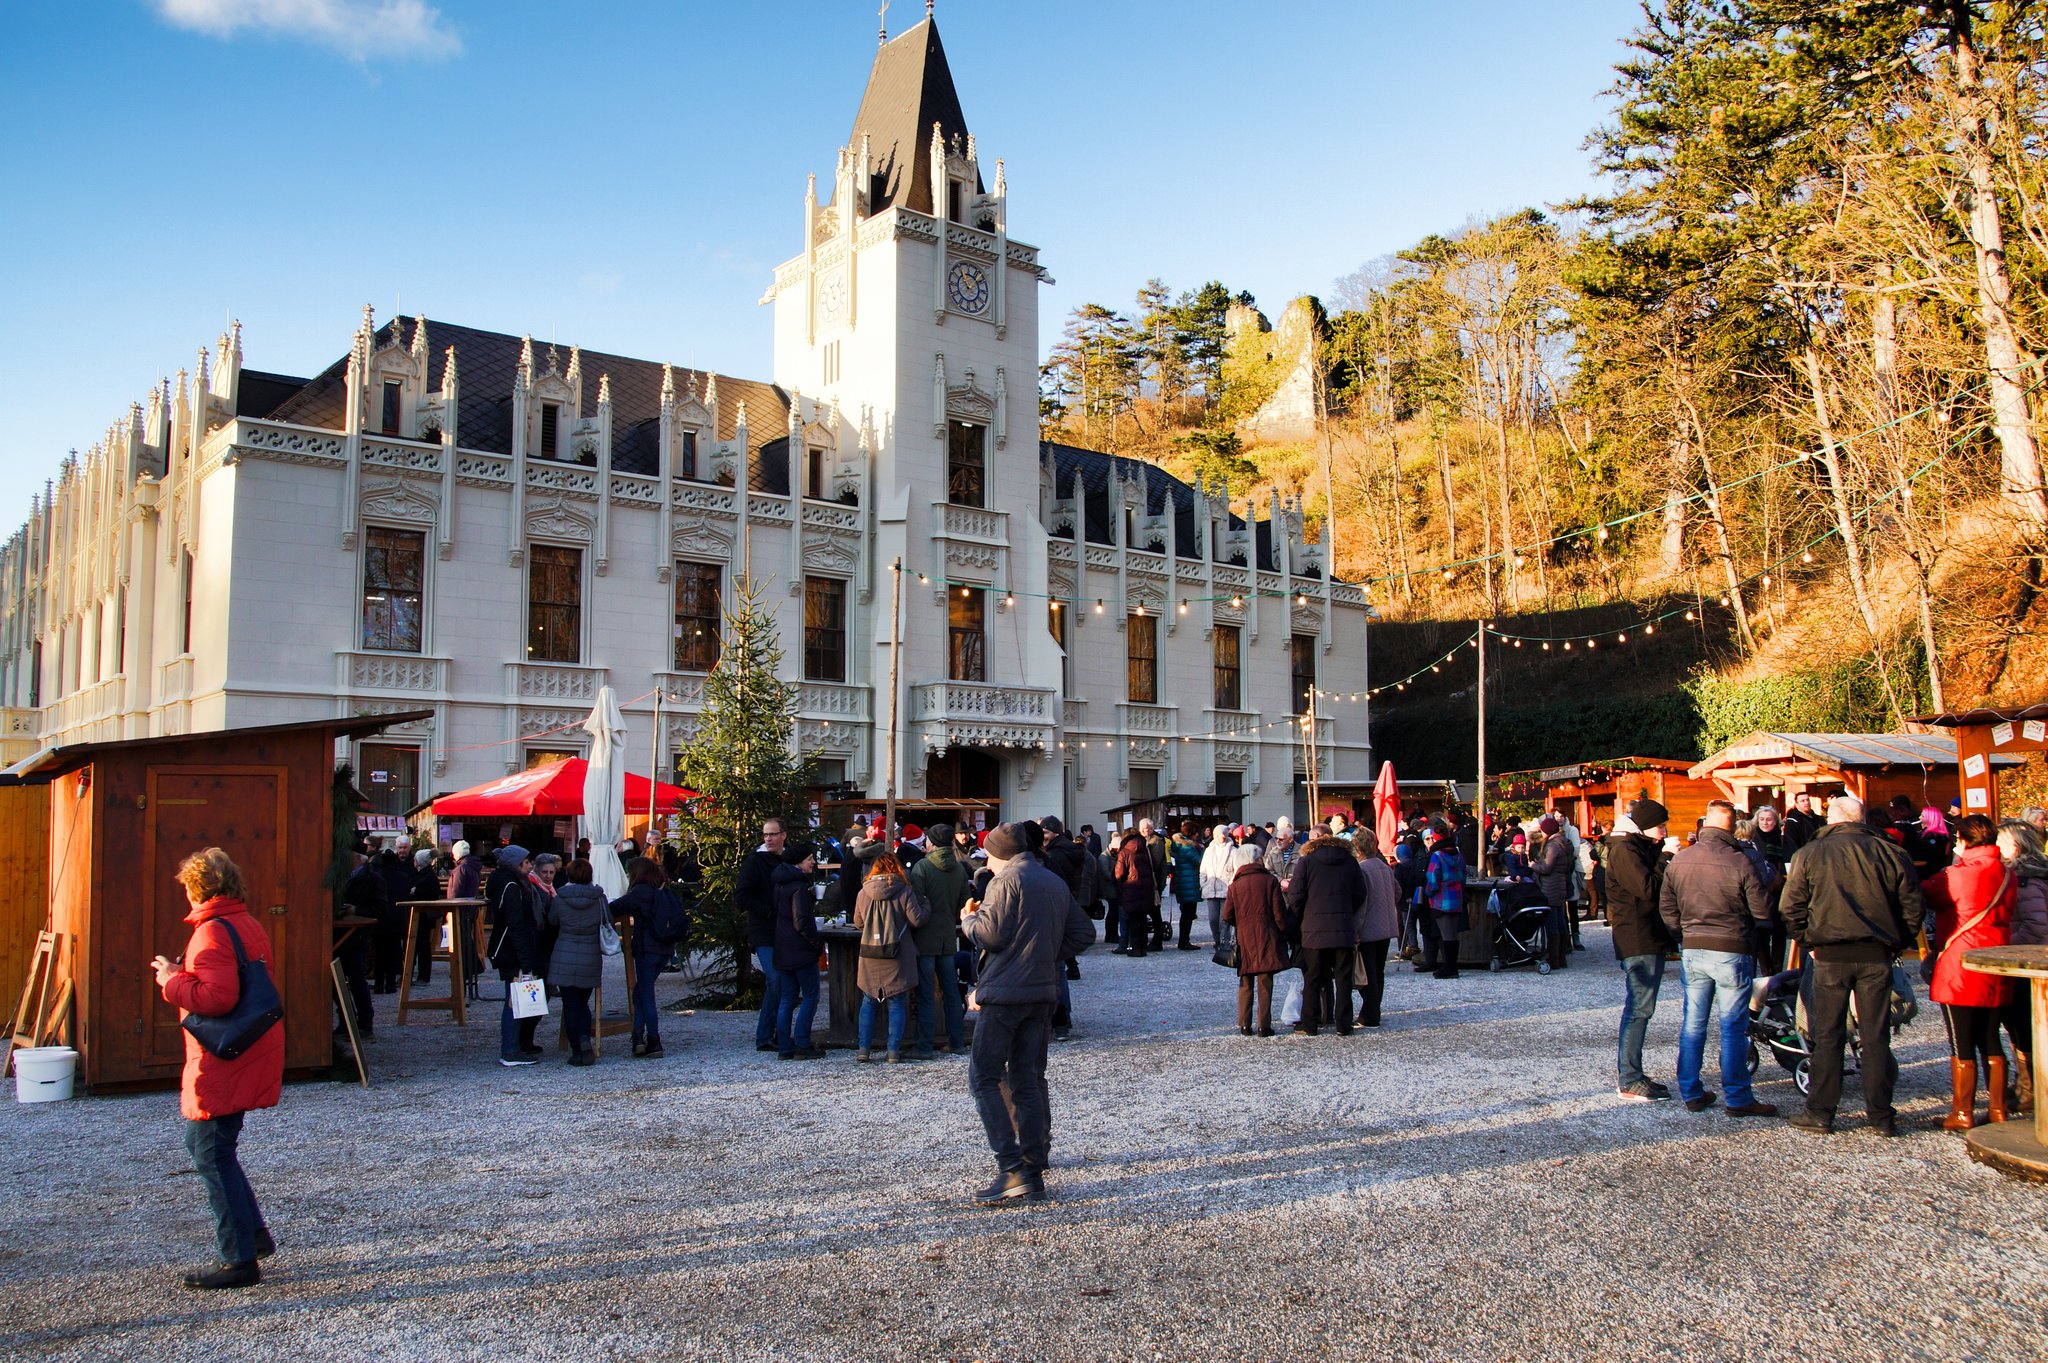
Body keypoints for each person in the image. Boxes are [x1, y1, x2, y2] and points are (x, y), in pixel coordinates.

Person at [153, 848, 283, 1290]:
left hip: (223, 1054)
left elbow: (217, 998)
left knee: (209, 1151)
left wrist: (172, 980)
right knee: (216, 1150)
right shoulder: (244, 923)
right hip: (247, 1049)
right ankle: (251, 1238)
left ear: (195, 888)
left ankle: (239, 1258)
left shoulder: (211, 933)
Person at [959, 822, 1096, 1205]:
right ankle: (1033, 1169)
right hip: (1041, 991)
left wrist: (969, 919)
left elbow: (992, 935)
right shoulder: (1050, 879)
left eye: (988, 851)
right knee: (1029, 1078)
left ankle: (1012, 1167)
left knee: (984, 1076)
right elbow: (1084, 933)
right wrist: (1044, 955)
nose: (985, 857)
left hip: (1005, 995)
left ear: (1000, 853)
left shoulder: (1005, 882)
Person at [1780, 794, 1926, 1136]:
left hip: (1829, 953)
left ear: (1831, 819)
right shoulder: (1891, 852)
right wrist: (1896, 943)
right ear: (1861, 819)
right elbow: (1913, 906)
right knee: (1875, 1035)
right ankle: (1880, 1116)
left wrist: (1808, 941)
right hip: (1876, 952)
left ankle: (1820, 1111)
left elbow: (1791, 906)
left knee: (1828, 1034)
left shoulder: (1810, 854)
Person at [1659, 800, 1776, 1118]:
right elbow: (1762, 910)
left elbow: (1667, 907)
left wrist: (1681, 935)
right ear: (1732, 825)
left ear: (1705, 824)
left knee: (1693, 1023)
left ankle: (1691, 1091)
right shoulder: (1740, 861)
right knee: (1733, 1027)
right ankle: (1737, 1097)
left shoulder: (1680, 859)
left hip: (1694, 947)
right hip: (1731, 946)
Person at [1923, 813, 2014, 1130]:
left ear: (1961, 840)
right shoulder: (2005, 873)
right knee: (1991, 1037)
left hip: (1961, 960)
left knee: (1961, 1040)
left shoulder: (1957, 874)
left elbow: (1929, 895)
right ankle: (1999, 1107)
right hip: (1997, 958)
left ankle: (1963, 1111)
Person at [1607, 799, 1674, 1101]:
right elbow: (1647, 888)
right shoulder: (1624, 850)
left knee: (1640, 1007)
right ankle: (1630, 1078)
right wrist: (1667, 857)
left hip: (1645, 935)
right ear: (1646, 825)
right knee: (1639, 1008)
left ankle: (1633, 1073)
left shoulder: (1633, 846)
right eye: (1661, 825)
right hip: (1637, 936)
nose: (1664, 831)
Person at [853, 851, 930, 1063]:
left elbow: (859, 923)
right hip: (898, 953)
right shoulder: (904, 890)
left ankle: (863, 1050)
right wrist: (926, 905)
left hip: (870, 953)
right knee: (896, 1001)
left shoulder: (863, 893)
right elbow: (917, 920)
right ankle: (893, 1052)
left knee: (868, 1001)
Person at [1286, 830, 1364, 1036]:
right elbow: (1360, 893)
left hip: (1313, 929)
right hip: (1343, 927)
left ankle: (1310, 1024)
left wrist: (1303, 915)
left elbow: (1295, 895)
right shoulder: (1349, 861)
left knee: (1312, 977)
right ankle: (1343, 1025)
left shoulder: (1306, 862)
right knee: (1343, 978)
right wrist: (1347, 909)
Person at [613, 857, 688, 1058]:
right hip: (665, 948)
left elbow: (615, 908)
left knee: (645, 995)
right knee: (640, 992)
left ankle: (653, 1040)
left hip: (647, 949)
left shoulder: (640, 892)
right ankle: (637, 1038)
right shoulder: (664, 890)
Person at [1997, 819, 2047, 1113]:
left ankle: (2030, 1090)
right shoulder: (2037, 873)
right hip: (2033, 963)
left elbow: (2036, 927)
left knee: (2022, 1027)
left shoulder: (2026, 879)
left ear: (2014, 846)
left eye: (2000, 842)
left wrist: (2001, 946)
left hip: (2028, 964)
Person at [908, 822, 971, 1058]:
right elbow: (965, 903)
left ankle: (924, 1045)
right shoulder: (959, 869)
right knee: (952, 992)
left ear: (931, 843)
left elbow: (915, 903)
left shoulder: (921, 868)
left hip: (924, 937)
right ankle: (956, 1042)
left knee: (926, 993)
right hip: (947, 937)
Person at [543, 860, 609, 1067]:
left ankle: (577, 1049)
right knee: (583, 1002)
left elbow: (553, 921)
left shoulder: (560, 897)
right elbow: (608, 919)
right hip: (590, 955)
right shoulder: (599, 898)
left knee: (570, 1005)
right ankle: (584, 1038)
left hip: (565, 953)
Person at [485, 846, 546, 1066]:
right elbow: (516, 924)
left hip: (510, 947)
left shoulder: (508, 882)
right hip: (512, 949)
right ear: (516, 864)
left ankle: (515, 1045)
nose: (530, 865)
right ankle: (510, 1049)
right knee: (514, 1000)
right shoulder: (511, 886)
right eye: (527, 862)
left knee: (516, 999)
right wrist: (526, 958)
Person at [1223, 843, 1290, 1035]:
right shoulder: (1269, 881)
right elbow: (1279, 914)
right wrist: (1284, 932)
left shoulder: (1235, 885)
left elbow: (1227, 915)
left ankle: (1244, 1024)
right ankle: (1264, 1025)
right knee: (1265, 981)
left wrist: (1242, 922)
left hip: (1245, 937)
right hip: (1267, 935)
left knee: (1245, 982)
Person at [737, 818, 788, 1054]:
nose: (768, 838)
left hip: (785, 930)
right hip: (763, 930)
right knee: (775, 979)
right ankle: (765, 1035)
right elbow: (742, 896)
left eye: (772, 834)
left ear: (783, 835)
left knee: (783, 982)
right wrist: (766, 910)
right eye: (765, 834)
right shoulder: (755, 862)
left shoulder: (788, 859)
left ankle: (777, 1032)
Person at [771, 842, 826, 1061]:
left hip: (782, 947)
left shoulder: (779, 883)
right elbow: (801, 921)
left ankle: (784, 1045)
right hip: (800, 949)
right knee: (811, 995)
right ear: (798, 862)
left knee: (787, 998)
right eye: (809, 858)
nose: (813, 862)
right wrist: (815, 942)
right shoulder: (798, 887)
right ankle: (802, 1042)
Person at [1352, 830, 1401, 1027]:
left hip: (1368, 928)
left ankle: (1370, 1014)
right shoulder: (1384, 867)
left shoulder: (1362, 870)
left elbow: (1361, 904)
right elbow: (1397, 892)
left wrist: (1355, 929)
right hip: (1386, 925)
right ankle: (1373, 1011)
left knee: (1367, 975)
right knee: (1378, 972)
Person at [337, 841, 385, 1039]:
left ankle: (365, 1024)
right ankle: (345, 1022)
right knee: (337, 982)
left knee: (357, 980)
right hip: (340, 934)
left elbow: (382, 910)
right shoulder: (342, 877)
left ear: (357, 858)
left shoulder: (372, 878)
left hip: (358, 936)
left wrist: (356, 911)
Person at [1422, 823, 1467, 979]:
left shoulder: (1437, 856)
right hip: (1457, 896)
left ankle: (1450, 968)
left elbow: (1433, 878)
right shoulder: (1458, 854)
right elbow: (1463, 876)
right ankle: (1451, 966)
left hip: (1441, 898)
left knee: (1446, 934)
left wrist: (1428, 892)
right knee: (1453, 934)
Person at [1532, 818, 1575, 971]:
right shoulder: (1565, 843)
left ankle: (1554, 958)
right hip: (1561, 884)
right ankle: (1562, 957)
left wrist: (1534, 865)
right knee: (1561, 921)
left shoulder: (1553, 846)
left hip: (1551, 886)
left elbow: (1546, 868)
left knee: (1553, 924)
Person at [1111, 828, 1156, 957]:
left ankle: (1135, 948)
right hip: (1146, 890)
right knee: (1142, 919)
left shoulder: (1124, 852)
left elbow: (1119, 874)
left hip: (1130, 890)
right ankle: (1143, 948)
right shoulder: (1146, 850)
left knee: (1133, 920)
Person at [405, 848, 444, 985]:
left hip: (422, 916)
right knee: (420, 946)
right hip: (422, 916)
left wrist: (414, 891)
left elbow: (419, 893)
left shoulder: (425, 878)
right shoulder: (425, 875)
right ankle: (414, 974)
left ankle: (422, 976)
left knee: (421, 946)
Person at [1199, 823, 1236, 949]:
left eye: (1223, 834)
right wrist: (1203, 883)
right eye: (1219, 834)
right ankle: (1217, 939)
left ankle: (1224, 942)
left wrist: (1232, 885)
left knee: (1224, 919)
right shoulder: (1209, 851)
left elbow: (1237, 870)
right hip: (1211, 887)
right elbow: (1203, 869)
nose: (1222, 837)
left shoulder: (1233, 851)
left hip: (1226, 888)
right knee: (1213, 919)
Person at [1170, 820, 1204, 950]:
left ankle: (1184, 940)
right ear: (1191, 834)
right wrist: (1202, 849)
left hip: (1183, 882)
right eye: (1196, 834)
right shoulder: (1187, 847)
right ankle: (1184, 941)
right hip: (1188, 883)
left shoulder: (1179, 845)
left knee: (1186, 913)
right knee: (1188, 914)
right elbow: (1199, 861)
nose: (1197, 836)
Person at [1139, 818, 1171, 950]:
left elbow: (1154, 863)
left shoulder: (1156, 841)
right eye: (1141, 829)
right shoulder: (1146, 840)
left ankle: (1157, 940)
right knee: (1151, 911)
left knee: (1155, 911)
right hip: (1149, 882)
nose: (1143, 832)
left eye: (1145, 829)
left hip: (1155, 882)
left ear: (1151, 829)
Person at [1263, 816, 1303, 889]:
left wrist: (1292, 883)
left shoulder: (1302, 852)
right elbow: (1268, 870)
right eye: (1277, 838)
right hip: (1277, 891)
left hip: (1296, 891)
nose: (1277, 841)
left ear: (1290, 839)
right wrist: (1281, 881)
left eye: (1281, 839)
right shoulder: (1273, 852)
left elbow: (1306, 872)